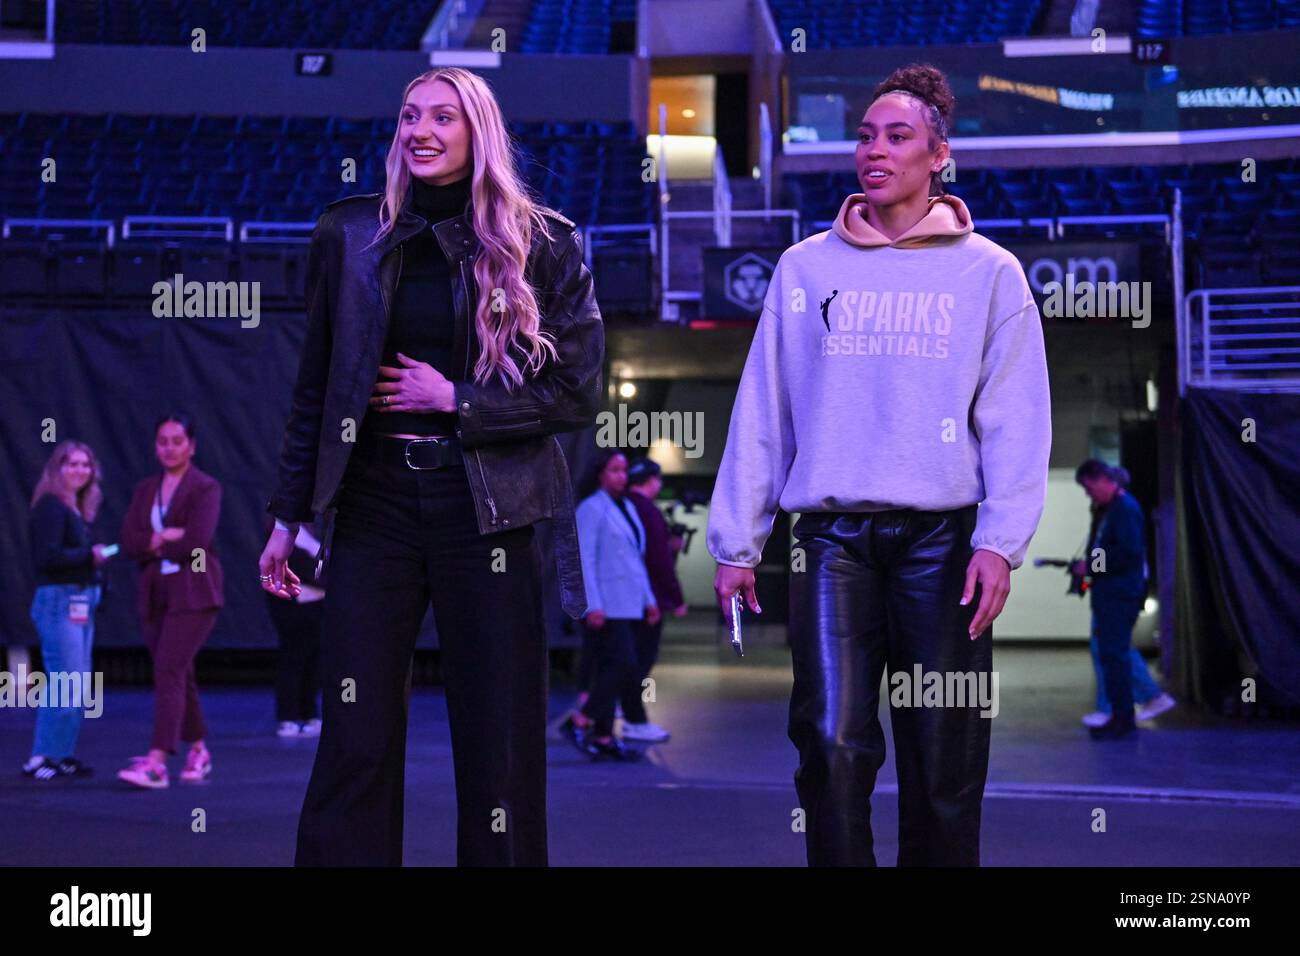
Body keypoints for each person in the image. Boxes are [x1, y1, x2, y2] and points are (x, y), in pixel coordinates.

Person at [708, 63, 1051, 866]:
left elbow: (1017, 420)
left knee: (943, 760)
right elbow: (765, 412)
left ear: (939, 155)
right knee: (829, 744)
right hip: (828, 543)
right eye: (865, 134)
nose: (875, 148)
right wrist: (736, 542)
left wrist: (1001, 540)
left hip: (945, 546)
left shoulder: (989, 272)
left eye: (898, 136)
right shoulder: (804, 268)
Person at [260, 67, 603, 867]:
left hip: (486, 508)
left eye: (443, 117)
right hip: (374, 504)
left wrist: (460, 397)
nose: (420, 129)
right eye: (410, 114)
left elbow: (577, 389)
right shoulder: (348, 235)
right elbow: (315, 388)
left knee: (500, 736)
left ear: (477, 131)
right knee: (355, 730)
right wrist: (289, 518)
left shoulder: (544, 242)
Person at [117, 414, 225, 788]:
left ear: (191, 446)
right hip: (155, 592)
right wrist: (162, 537)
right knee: (179, 672)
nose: (169, 447)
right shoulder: (146, 488)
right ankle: (198, 750)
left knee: (168, 669)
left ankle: (157, 762)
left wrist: (157, 539)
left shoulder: (205, 488)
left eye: (177, 440)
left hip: (194, 591)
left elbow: (196, 542)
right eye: (162, 441)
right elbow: (129, 541)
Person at [23, 441, 112, 781]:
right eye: (71, 464)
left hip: (78, 600)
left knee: (76, 681)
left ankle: (61, 754)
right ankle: (41, 755)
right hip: (58, 600)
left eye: (85, 465)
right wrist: (90, 556)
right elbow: (47, 558)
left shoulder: (73, 509)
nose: (79, 470)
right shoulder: (50, 507)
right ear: (56, 469)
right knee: (64, 679)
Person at [563, 450, 659, 761]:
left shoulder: (628, 506)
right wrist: (593, 604)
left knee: (612, 666)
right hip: (606, 604)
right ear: (600, 473)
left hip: (627, 602)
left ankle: (603, 735)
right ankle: (581, 719)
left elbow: (635, 559)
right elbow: (585, 560)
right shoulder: (591, 509)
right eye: (614, 470)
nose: (621, 475)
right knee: (624, 665)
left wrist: (650, 600)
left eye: (624, 470)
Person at [1078, 464, 1175, 728]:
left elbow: (1128, 553)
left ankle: (1122, 715)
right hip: (1113, 592)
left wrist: (1092, 566)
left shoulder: (1124, 509)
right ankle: (1119, 713)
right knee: (1112, 653)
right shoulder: (1112, 510)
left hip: (1120, 593)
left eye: (1089, 488)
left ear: (1103, 481)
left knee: (1115, 653)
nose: (1089, 495)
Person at [621, 457, 687, 742]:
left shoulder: (624, 505)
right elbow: (658, 560)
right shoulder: (647, 510)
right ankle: (632, 719)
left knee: (625, 659)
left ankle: (619, 716)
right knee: (639, 661)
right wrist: (676, 597)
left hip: (625, 596)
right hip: (647, 598)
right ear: (651, 481)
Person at [261, 514, 326, 737]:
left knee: (314, 660)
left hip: (316, 608)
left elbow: (325, 568)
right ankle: (287, 717)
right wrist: (325, 577)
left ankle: (311, 714)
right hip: (291, 608)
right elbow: (300, 571)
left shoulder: (310, 535)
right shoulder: (280, 537)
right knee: (293, 659)